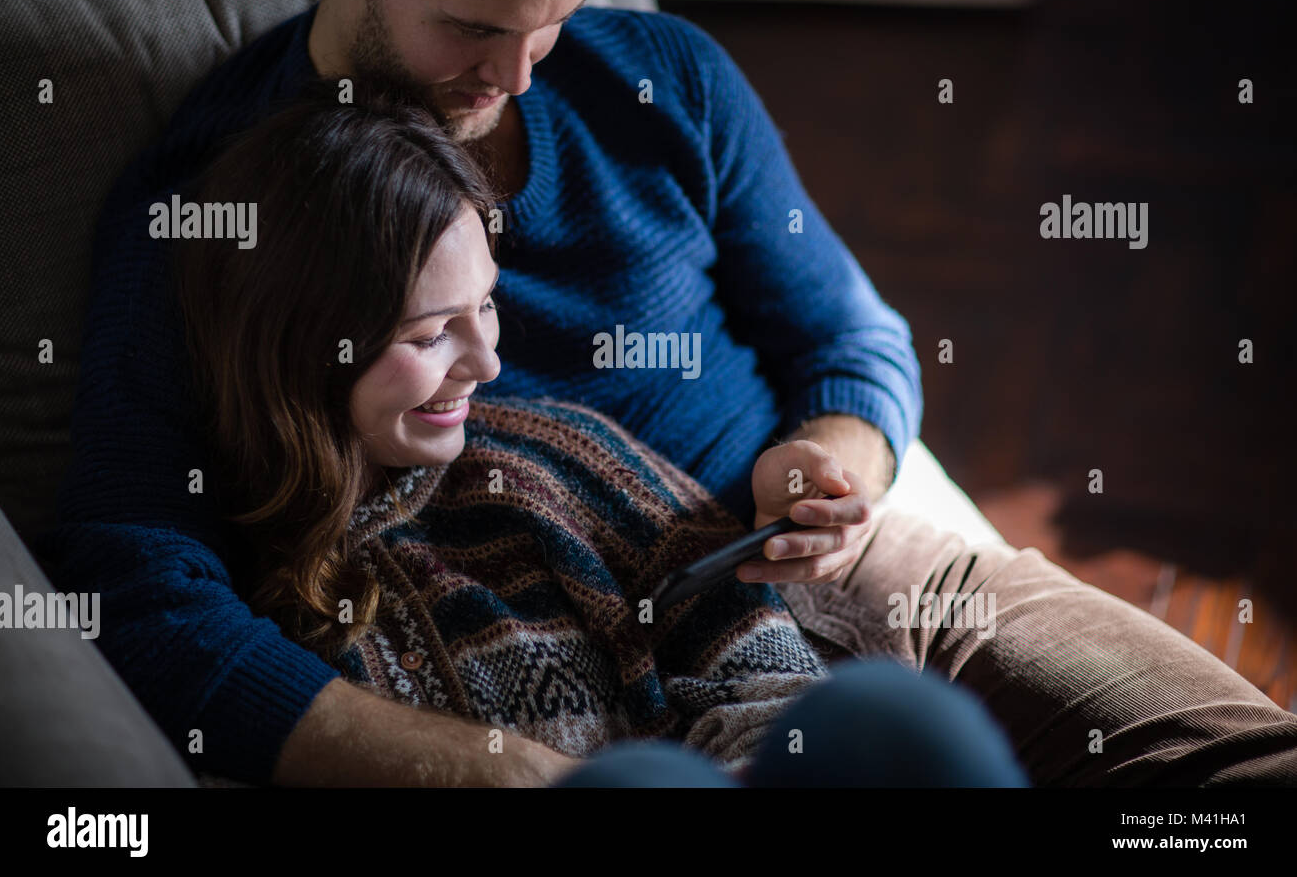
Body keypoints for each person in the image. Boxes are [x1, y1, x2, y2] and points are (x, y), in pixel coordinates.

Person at [41, 0, 1297, 786]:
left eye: (550, 23)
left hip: (839, 567)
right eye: (475, 29)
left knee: (1234, 766)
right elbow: (135, 576)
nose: (519, 77)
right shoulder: (208, 207)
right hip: (530, 653)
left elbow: (851, 335)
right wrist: (485, 771)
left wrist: (827, 457)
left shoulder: (662, 78)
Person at [170, 86, 1027, 787]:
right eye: (430, 335)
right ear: (305, 343)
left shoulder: (559, 460)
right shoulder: (236, 602)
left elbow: (762, 678)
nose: (488, 364)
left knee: (883, 714)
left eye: (488, 308)